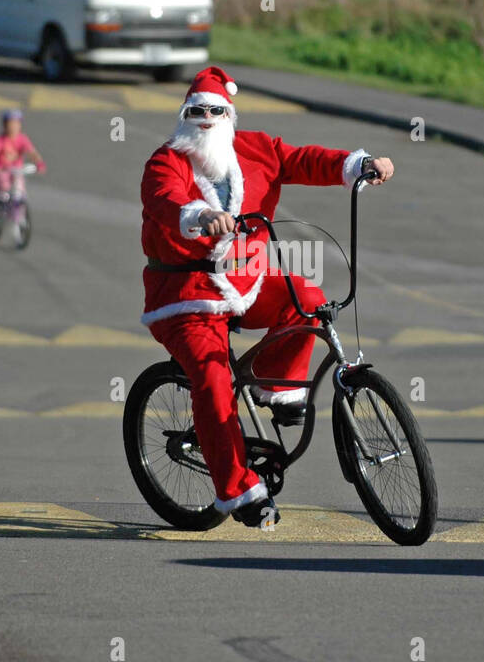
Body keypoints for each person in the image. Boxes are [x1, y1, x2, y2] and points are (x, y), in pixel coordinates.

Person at [139, 66, 393, 528]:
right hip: (186, 295)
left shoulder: (255, 149)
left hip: (244, 282)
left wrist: (359, 165)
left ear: (229, 115)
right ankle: (239, 491)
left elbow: (305, 160)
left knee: (307, 297)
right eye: (196, 111)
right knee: (213, 381)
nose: (206, 119)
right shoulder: (166, 161)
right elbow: (163, 199)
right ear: (184, 115)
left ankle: (277, 386)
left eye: (216, 111)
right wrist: (199, 215)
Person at [0, 109, 46, 213]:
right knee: (4, 185)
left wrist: (39, 163)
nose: (14, 127)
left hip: (17, 169)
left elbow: (32, 152)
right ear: (5, 125)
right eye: (11, 124)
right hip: (3, 169)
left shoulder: (22, 139)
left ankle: (20, 211)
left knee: (19, 188)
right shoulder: (1, 140)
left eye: (16, 124)